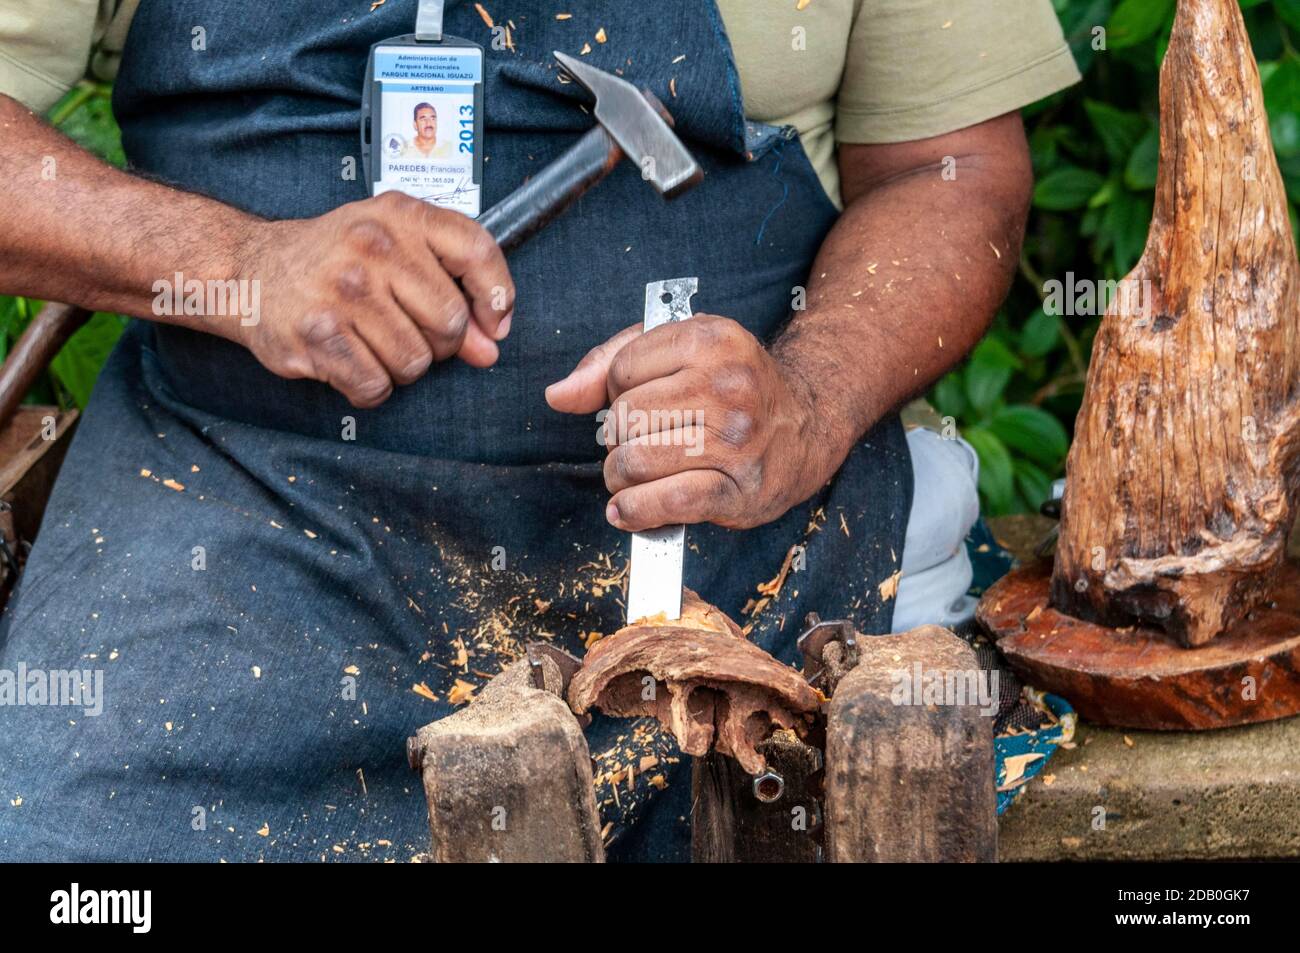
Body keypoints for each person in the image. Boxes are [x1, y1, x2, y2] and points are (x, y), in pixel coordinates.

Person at [0, 0, 1079, 861]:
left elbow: (954, 172)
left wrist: (810, 395)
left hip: (717, 532)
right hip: (237, 507)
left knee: (781, 808)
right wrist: (235, 265)